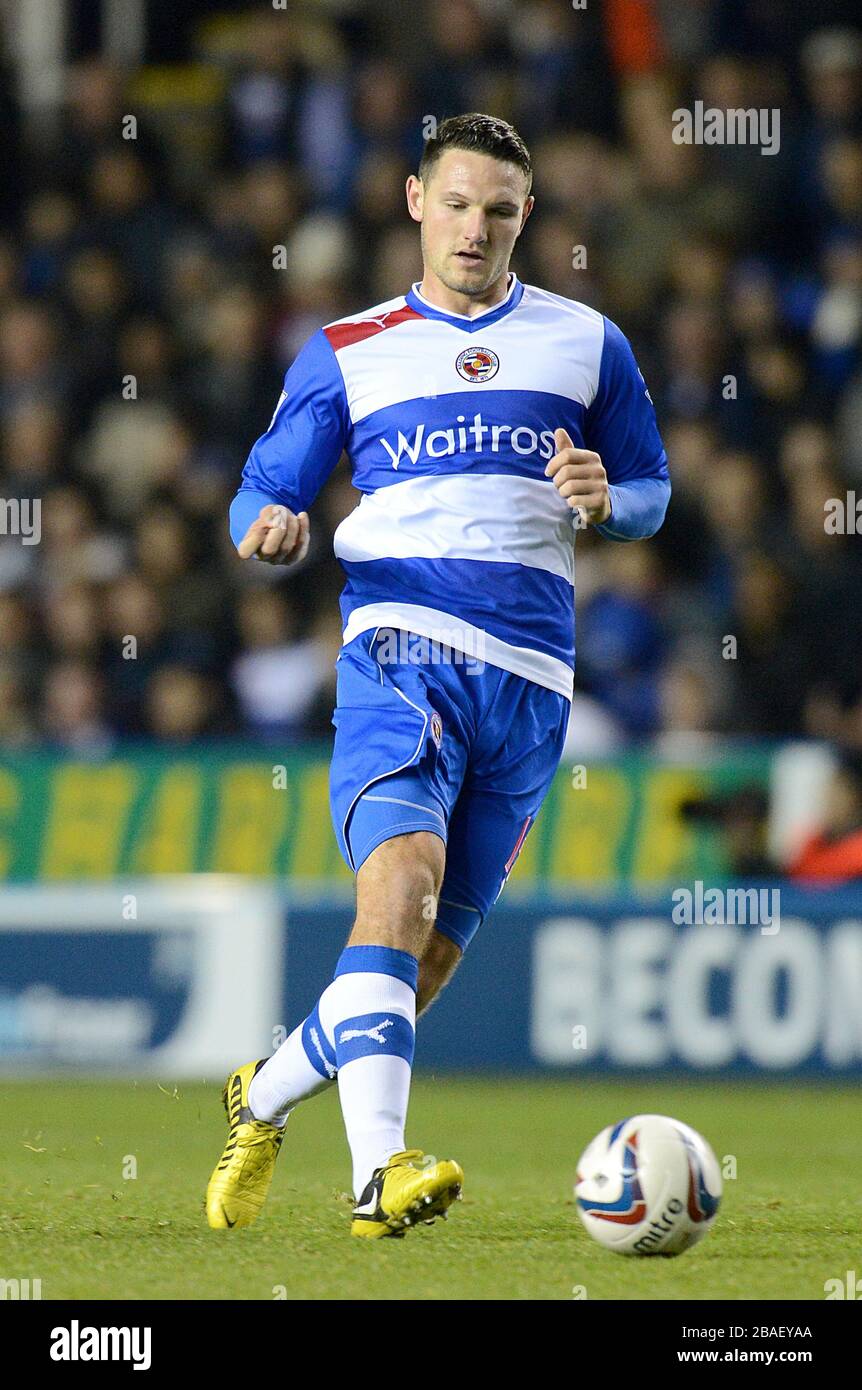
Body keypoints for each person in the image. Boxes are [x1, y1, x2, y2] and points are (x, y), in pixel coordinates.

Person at [206, 113, 670, 1239]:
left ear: (525, 218)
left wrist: (613, 499)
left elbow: (654, 493)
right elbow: (256, 490)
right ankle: (380, 1176)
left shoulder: (586, 343)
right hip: (400, 650)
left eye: (500, 209)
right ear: (416, 203)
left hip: (532, 683)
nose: (476, 228)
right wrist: (264, 523)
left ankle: (262, 1095)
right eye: (456, 203)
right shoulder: (348, 347)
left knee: (422, 958)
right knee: (399, 890)